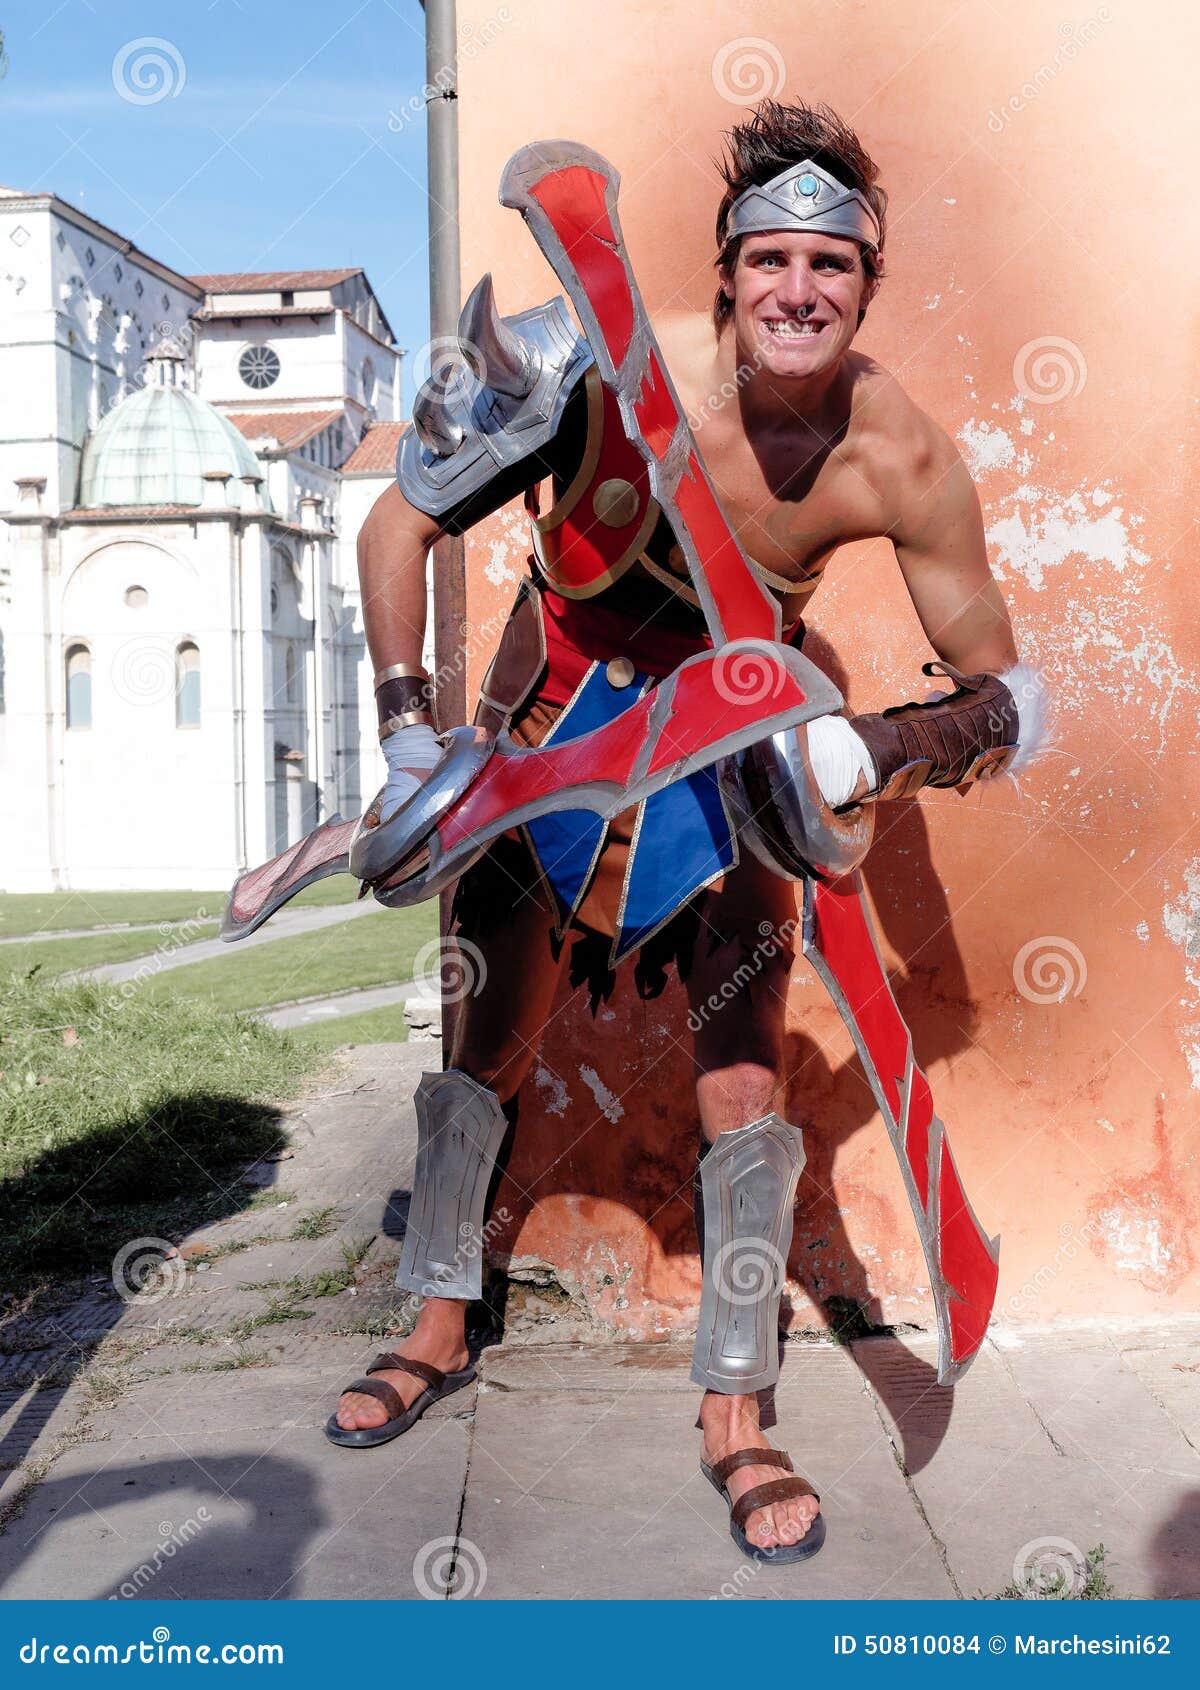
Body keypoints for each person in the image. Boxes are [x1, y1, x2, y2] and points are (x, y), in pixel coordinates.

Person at [325, 98, 1030, 1565]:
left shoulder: (895, 455)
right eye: (768, 259)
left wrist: (870, 743)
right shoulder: (589, 356)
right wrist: (406, 726)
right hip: (551, 738)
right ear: (726, 272)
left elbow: (1007, 698)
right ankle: (441, 1312)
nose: (796, 290)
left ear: (866, 285)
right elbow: (399, 525)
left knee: (741, 1081)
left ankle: (737, 1406)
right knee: (486, 1044)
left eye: (828, 269)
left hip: (728, 770)